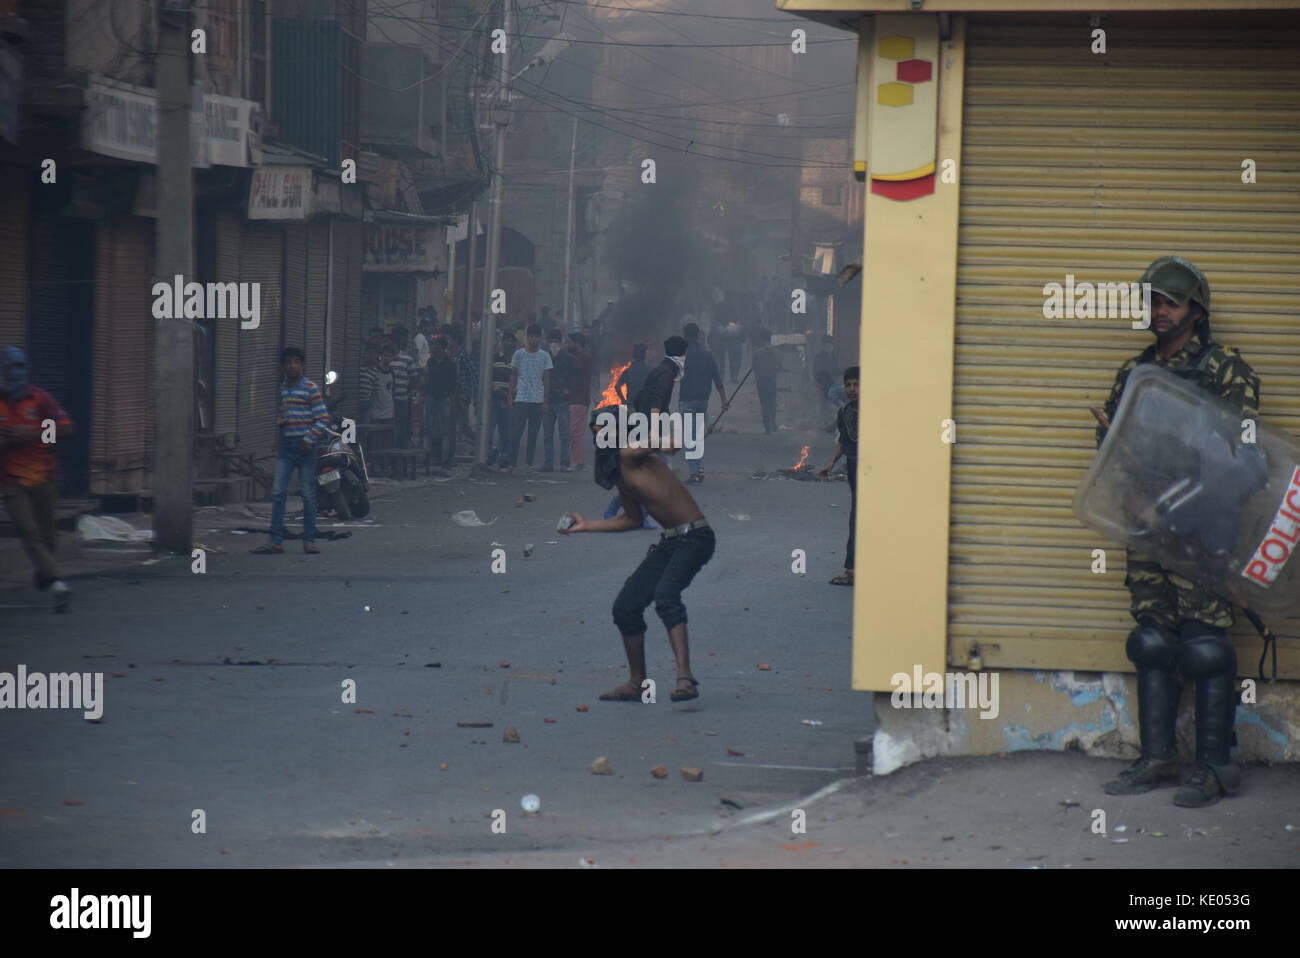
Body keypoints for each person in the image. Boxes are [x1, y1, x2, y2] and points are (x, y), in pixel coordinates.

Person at [1096, 257, 1259, 808]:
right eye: (1153, 302)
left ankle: (1215, 767)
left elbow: (1243, 456)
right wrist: (1133, 486)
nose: (1159, 311)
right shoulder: (1135, 374)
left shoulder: (1223, 369)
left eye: (1170, 302)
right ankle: (1157, 758)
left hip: (1203, 527)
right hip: (1147, 528)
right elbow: (1114, 455)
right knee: (1151, 640)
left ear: (1195, 310)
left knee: (1207, 644)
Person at [560, 402, 716, 705]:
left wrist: (653, 441)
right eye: (597, 431)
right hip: (671, 541)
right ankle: (636, 683)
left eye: (606, 430)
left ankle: (685, 677)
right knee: (626, 606)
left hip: (695, 537)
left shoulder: (631, 452)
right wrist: (586, 525)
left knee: (666, 595)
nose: (601, 437)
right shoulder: (620, 471)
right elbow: (631, 519)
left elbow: (672, 443)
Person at [0, 346, 75, 611]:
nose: (15, 372)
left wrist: (29, 434)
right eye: (10, 367)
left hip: (44, 476)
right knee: (29, 532)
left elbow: (65, 428)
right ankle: (57, 583)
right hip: (11, 481)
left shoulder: (40, 398)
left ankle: (44, 572)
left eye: (20, 366)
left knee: (47, 535)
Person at [255, 347, 330, 556]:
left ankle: (309, 540)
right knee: (278, 493)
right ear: (283, 366)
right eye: (288, 362)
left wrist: (309, 437)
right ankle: (275, 540)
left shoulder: (310, 388)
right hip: (287, 447)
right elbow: (282, 415)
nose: (292, 366)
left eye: (296, 361)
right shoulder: (283, 389)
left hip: (305, 448)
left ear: (302, 364)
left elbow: (323, 419)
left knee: (307, 494)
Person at [818, 366, 859, 587]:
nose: (852, 389)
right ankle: (852, 570)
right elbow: (843, 442)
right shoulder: (844, 413)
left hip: (874, 471)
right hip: (854, 468)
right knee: (857, 518)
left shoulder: (877, 411)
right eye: (848, 385)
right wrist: (830, 463)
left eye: (856, 385)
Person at [679, 323, 727, 484]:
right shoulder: (708, 355)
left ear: (685, 336)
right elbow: (717, 380)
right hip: (702, 401)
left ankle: (694, 473)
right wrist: (724, 400)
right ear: (698, 335)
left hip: (687, 401)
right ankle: (699, 470)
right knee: (698, 438)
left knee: (690, 439)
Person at [502, 324, 552, 472]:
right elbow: (513, 375)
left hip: (537, 399)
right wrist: (510, 396)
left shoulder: (545, 356)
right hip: (521, 397)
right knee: (515, 432)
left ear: (540, 338)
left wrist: (545, 400)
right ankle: (511, 463)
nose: (534, 339)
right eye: (531, 336)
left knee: (533, 433)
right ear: (527, 337)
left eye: (536, 336)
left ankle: (529, 463)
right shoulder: (519, 354)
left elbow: (547, 378)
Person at [425, 336, 458, 468]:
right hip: (431, 396)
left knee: (445, 430)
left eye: (436, 345)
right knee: (428, 428)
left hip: (444, 398)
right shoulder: (430, 362)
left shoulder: (450, 364)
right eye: (433, 345)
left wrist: (449, 396)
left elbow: (454, 382)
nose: (434, 347)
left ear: (442, 347)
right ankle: (427, 457)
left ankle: (445, 459)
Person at [542, 328, 572, 472]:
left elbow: (574, 378)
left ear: (561, 342)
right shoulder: (544, 356)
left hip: (562, 400)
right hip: (548, 399)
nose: (554, 344)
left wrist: (567, 390)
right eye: (551, 341)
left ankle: (564, 463)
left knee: (564, 434)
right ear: (548, 342)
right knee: (547, 434)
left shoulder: (568, 358)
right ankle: (548, 463)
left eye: (556, 341)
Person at [566, 332, 594, 472]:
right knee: (577, 431)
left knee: (574, 432)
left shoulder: (581, 357)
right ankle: (578, 459)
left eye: (570, 342)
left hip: (578, 399)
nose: (567, 345)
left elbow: (576, 378)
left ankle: (577, 461)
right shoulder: (583, 356)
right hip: (580, 399)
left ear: (577, 343)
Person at [488, 334, 516, 467]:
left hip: (508, 399)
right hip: (494, 398)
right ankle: (488, 454)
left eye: (511, 340)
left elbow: (517, 380)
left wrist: (509, 395)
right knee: (490, 429)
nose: (508, 343)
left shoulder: (516, 361)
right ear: (502, 342)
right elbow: (489, 378)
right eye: (507, 340)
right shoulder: (494, 358)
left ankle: (503, 457)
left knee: (506, 431)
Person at [447, 326, 478, 447]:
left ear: (456, 340)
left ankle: (484, 446)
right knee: (451, 425)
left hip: (461, 395)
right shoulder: (449, 355)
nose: (448, 341)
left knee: (463, 425)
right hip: (451, 395)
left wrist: (473, 396)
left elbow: (474, 374)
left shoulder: (463, 355)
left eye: (450, 339)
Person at [751, 328, 781, 434]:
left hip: (761, 380)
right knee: (772, 402)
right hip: (772, 380)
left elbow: (753, 367)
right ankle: (773, 423)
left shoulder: (757, 353)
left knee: (764, 403)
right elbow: (779, 365)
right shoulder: (776, 352)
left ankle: (767, 427)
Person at [389, 333, 416, 449]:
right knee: (390, 427)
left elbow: (414, 379)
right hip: (387, 400)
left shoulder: (407, 359)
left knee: (402, 427)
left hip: (402, 399)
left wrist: (408, 393)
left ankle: (401, 453)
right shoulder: (385, 359)